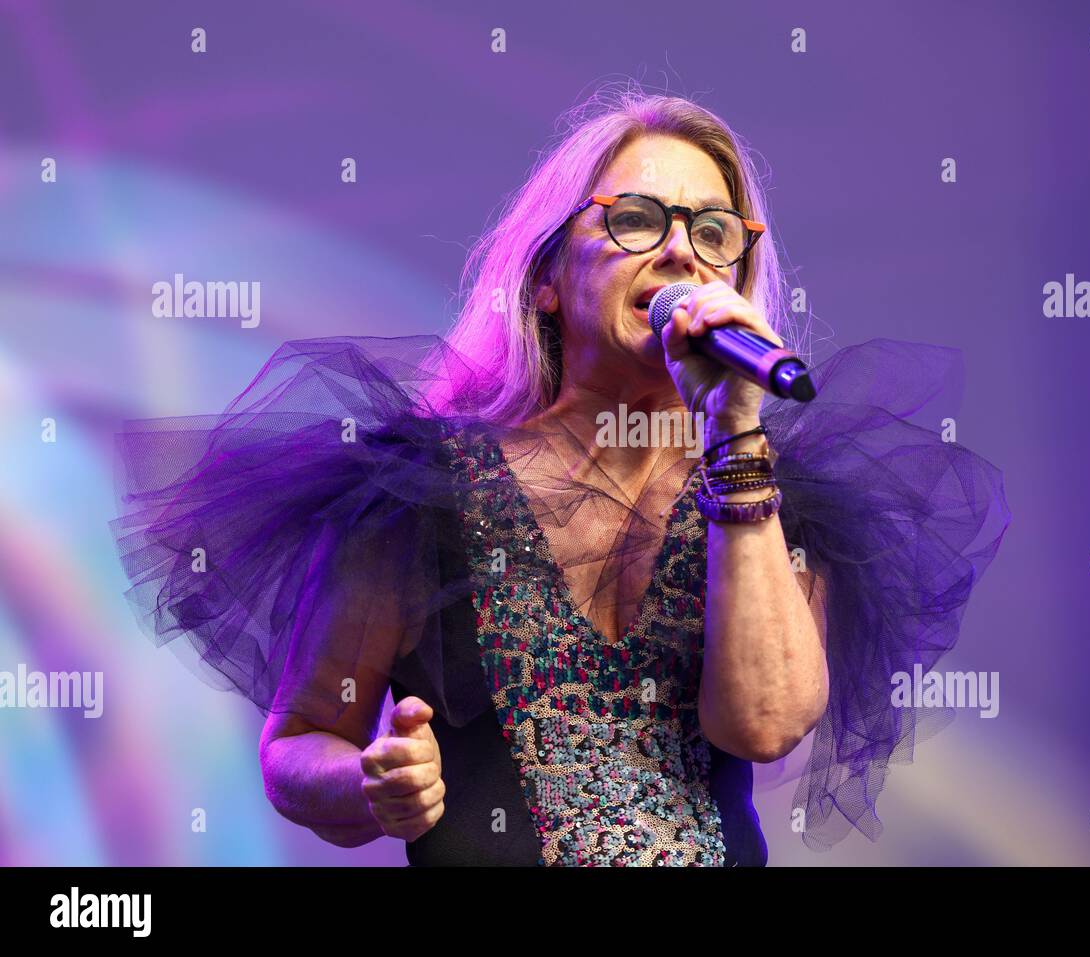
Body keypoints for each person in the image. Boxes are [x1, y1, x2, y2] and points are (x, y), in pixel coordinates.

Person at [111, 87, 1010, 866]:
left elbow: (764, 724)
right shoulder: (418, 489)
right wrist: (369, 783)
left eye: (712, 231)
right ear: (546, 276)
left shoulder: (777, 498)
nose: (680, 254)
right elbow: (302, 740)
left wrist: (734, 428)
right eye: (635, 219)